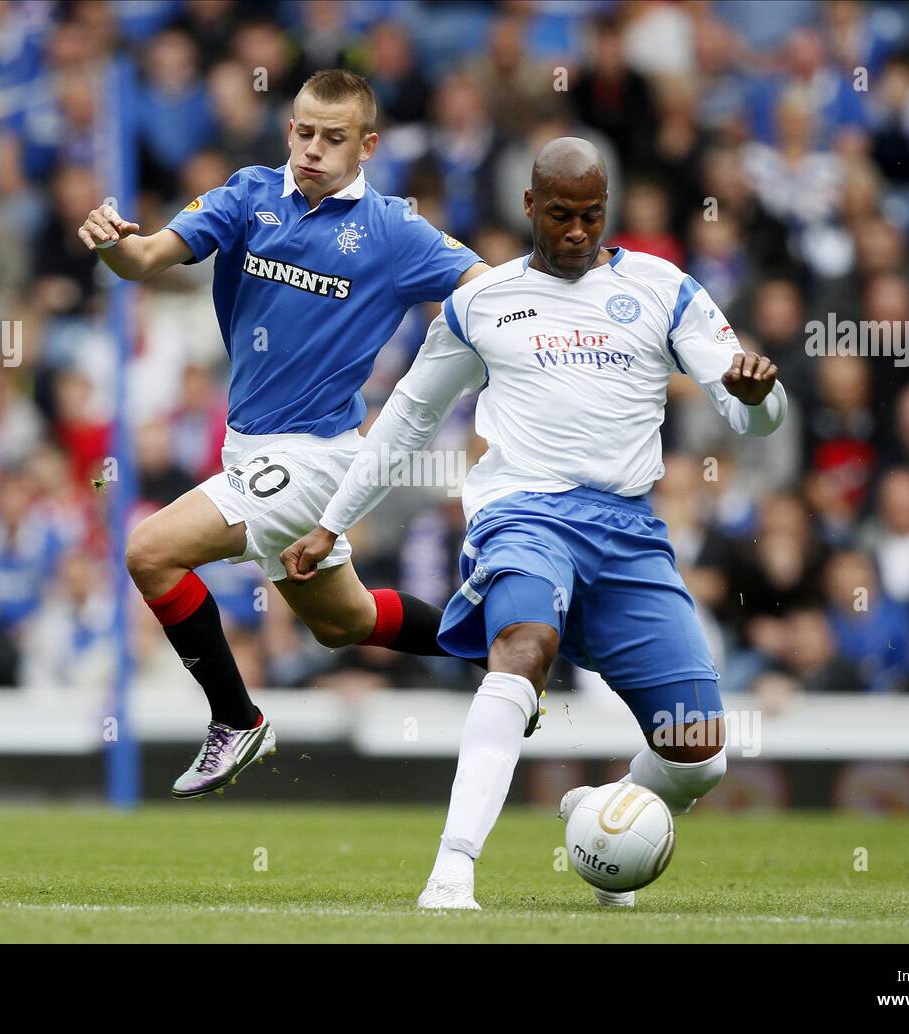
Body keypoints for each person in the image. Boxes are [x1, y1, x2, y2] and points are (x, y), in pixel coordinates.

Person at [283, 138, 787, 909]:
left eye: (592, 214)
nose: (578, 230)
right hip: (524, 515)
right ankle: (452, 871)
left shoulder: (664, 287)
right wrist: (331, 523)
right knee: (522, 649)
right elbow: (407, 422)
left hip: (626, 530)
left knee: (699, 754)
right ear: (529, 207)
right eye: (561, 214)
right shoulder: (481, 302)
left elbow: (750, 418)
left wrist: (759, 398)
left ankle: (598, 811)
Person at [78, 69, 488, 798]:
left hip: (316, 457)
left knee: (150, 551)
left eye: (334, 138)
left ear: (367, 145)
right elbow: (141, 261)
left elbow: (486, 290)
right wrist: (112, 241)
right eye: (303, 132)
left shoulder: (393, 230)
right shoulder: (247, 195)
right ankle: (503, 648)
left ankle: (236, 720)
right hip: (249, 447)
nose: (312, 149)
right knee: (344, 622)